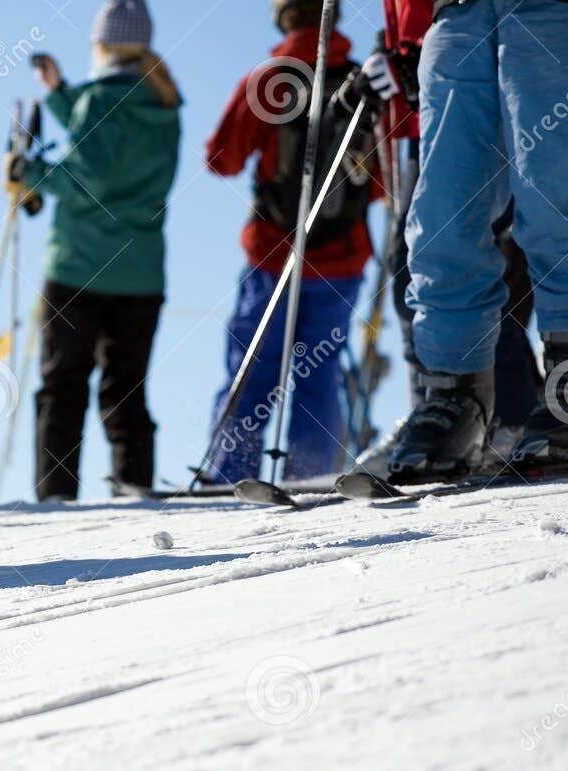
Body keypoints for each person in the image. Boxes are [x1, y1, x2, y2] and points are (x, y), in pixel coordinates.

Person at [395, 0, 568, 476]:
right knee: (442, 212)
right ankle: (452, 399)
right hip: (456, 14)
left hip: (560, 8)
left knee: (555, 193)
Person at [345, 0, 540, 479]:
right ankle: (437, 407)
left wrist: (407, 59)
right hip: (423, 116)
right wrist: (384, 56)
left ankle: (508, 415)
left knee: (476, 261)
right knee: (414, 270)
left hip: (479, 103)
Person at [204, 0, 377, 484]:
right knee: (318, 375)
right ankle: (312, 475)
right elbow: (380, 184)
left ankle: (228, 476)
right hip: (342, 257)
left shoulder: (268, 79)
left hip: (273, 253)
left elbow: (221, 159)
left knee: (253, 369)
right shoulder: (363, 81)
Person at [19, 0, 182, 500]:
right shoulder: (163, 105)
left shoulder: (101, 101)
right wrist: (61, 94)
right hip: (140, 275)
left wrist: (26, 174)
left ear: (103, 43)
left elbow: (85, 174)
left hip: (79, 268)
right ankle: (133, 484)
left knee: (63, 385)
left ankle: (56, 494)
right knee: (126, 388)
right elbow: (108, 145)